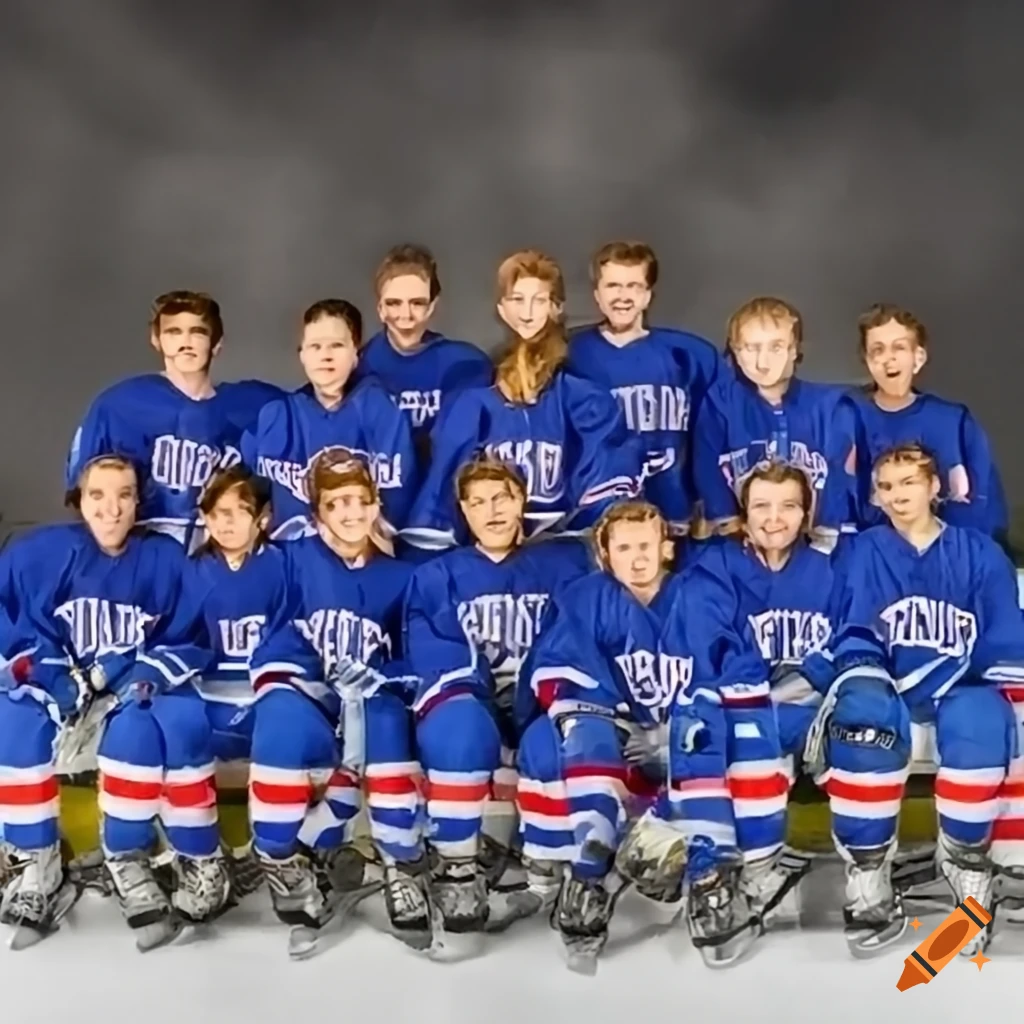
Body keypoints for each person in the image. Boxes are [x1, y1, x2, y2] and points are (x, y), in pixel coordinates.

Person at [0, 455, 230, 952]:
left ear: (138, 501)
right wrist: (48, 671)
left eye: (124, 494)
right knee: (13, 724)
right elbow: (10, 623)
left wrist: (137, 672)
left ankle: (129, 859)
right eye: (98, 495)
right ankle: (37, 863)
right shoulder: (39, 554)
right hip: (63, 686)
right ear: (78, 500)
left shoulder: (164, 559)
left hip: (126, 691)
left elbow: (190, 634)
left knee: (155, 725)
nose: (112, 508)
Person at [615, 462, 831, 966]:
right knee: (711, 724)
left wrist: (776, 695)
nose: (774, 518)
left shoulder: (831, 570)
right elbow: (709, 652)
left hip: (801, 711)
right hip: (740, 707)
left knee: (746, 729)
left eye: (788, 506)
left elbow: (846, 647)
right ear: (743, 512)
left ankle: (710, 852)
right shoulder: (715, 568)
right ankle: (714, 875)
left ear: (806, 513)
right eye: (761, 506)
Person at [245, 450, 430, 956]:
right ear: (317, 513)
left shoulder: (404, 576)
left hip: (368, 701)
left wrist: (383, 677)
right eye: (335, 503)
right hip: (309, 693)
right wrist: (308, 678)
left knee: (386, 719)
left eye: (358, 500)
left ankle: (401, 864)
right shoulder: (291, 561)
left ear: (375, 505)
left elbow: (417, 654)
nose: (350, 512)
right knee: (280, 718)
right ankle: (286, 859)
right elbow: (274, 638)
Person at [403, 454, 590, 935]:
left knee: (561, 739)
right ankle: (458, 867)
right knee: (459, 730)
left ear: (522, 500)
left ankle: (554, 875)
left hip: (539, 698)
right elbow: (433, 652)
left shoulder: (562, 566)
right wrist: (486, 705)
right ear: (464, 511)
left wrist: (535, 699)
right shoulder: (436, 576)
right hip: (474, 698)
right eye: (479, 502)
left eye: (502, 498)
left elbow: (575, 639)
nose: (492, 511)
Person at [511, 500, 693, 972]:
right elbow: (558, 670)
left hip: (672, 734)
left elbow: (723, 673)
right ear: (605, 554)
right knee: (554, 746)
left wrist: (672, 731)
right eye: (624, 548)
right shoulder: (585, 597)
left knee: (713, 749)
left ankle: (670, 870)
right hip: (606, 728)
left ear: (666, 548)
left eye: (645, 546)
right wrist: (615, 722)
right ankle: (584, 879)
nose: (637, 558)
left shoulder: (696, 598)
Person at [403, 249, 644, 553]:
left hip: (564, 548)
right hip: (495, 547)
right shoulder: (475, 399)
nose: (527, 312)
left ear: (556, 307)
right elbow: (448, 486)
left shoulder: (581, 395)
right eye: (517, 300)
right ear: (502, 308)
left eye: (539, 300)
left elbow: (607, 472)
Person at [66, 290, 282, 548]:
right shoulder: (119, 405)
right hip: (143, 548)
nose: (186, 342)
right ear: (156, 339)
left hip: (218, 551)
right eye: (173, 332)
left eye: (197, 332)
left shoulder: (254, 406)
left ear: (217, 343)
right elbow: (82, 491)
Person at [567, 241, 724, 535]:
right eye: (613, 286)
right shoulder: (569, 355)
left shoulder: (690, 356)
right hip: (596, 520)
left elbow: (715, 436)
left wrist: (714, 506)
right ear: (597, 294)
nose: (622, 296)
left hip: (674, 519)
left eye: (634, 286)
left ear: (648, 294)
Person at [242, 299, 418, 542]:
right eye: (315, 346)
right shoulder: (277, 417)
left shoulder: (382, 413)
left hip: (364, 554)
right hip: (293, 559)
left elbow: (397, 505)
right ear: (302, 355)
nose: (325, 356)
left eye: (336, 345)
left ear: (356, 354)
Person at [691, 296, 857, 545]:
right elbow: (705, 465)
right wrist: (728, 521)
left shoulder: (830, 407)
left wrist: (825, 532)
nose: (763, 362)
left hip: (815, 546)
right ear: (736, 352)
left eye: (776, 347)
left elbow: (840, 475)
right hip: (741, 542)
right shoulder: (720, 404)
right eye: (751, 348)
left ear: (794, 349)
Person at [844, 303, 1008, 541]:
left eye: (899, 347)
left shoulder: (953, 422)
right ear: (868, 360)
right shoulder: (846, 415)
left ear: (918, 357)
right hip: (873, 555)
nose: (889, 358)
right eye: (878, 350)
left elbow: (984, 508)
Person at [353, 244, 493, 458]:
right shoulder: (358, 366)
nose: (405, 315)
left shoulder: (466, 365)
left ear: (432, 306)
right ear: (380, 309)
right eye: (394, 303)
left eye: (417, 303)